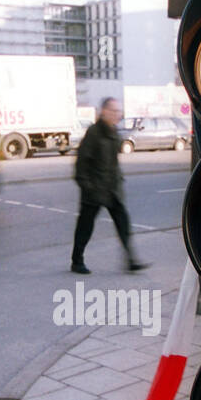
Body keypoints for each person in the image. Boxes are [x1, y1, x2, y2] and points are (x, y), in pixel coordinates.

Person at [71, 97, 148, 274]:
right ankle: (77, 261)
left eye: (118, 111)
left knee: (123, 224)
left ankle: (131, 260)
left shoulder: (113, 132)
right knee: (85, 227)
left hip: (113, 190)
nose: (117, 114)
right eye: (113, 111)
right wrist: (87, 186)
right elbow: (81, 163)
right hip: (95, 190)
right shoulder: (94, 133)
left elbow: (114, 161)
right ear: (103, 112)